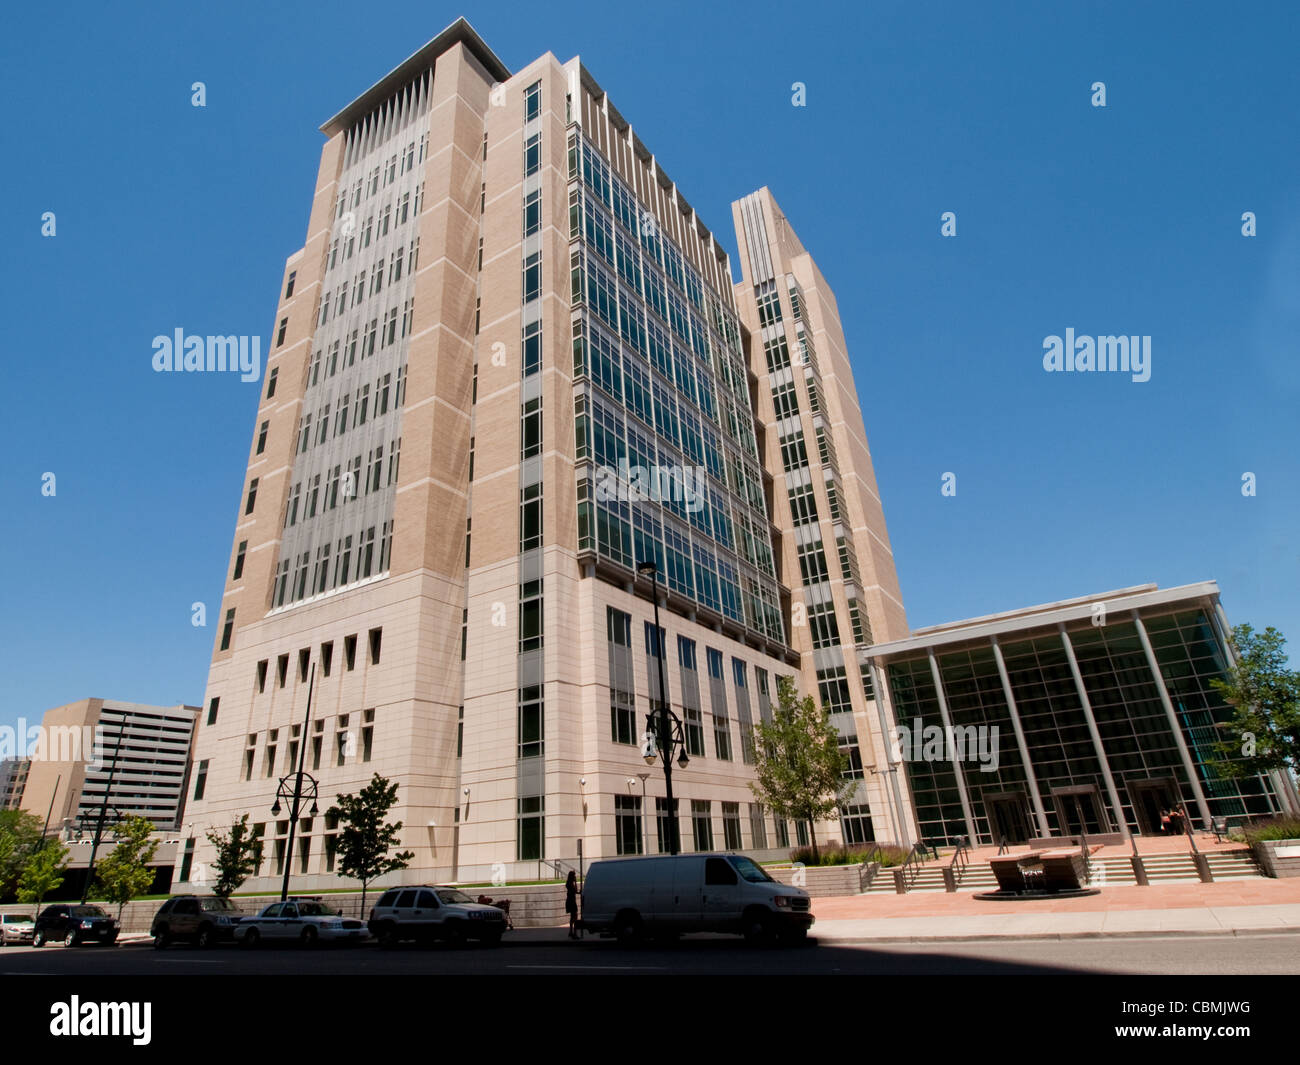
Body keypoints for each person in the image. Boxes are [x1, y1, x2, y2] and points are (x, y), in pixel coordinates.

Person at [565, 870, 579, 939]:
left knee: (572, 917)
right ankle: (574, 934)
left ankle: (571, 932)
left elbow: (575, 891)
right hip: (572, 902)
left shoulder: (568, 883)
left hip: (569, 901)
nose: (575, 877)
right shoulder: (570, 884)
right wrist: (576, 882)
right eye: (574, 875)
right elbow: (575, 891)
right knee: (575, 917)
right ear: (572, 876)